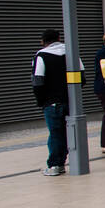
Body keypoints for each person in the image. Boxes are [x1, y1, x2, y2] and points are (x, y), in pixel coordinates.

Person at [32, 29, 80, 176]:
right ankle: (68, 161)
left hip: (51, 103)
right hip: (71, 101)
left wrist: (42, 101)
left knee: (55, 133)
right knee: (68, 132)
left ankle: (55, 165)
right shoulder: (71, 52)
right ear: (59, 38)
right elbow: (81, 76)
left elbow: (38, 81)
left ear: (43, 41)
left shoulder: (41, 55)